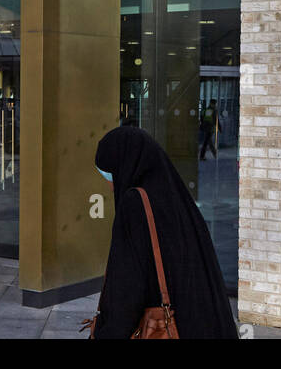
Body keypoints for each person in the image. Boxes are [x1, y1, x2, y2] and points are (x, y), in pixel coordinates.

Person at [90, 124, 238, 339]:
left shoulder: (135, 203)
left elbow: (127, 285)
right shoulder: (176, 196)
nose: (111, 186)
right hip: (198, 322)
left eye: (111, 175)